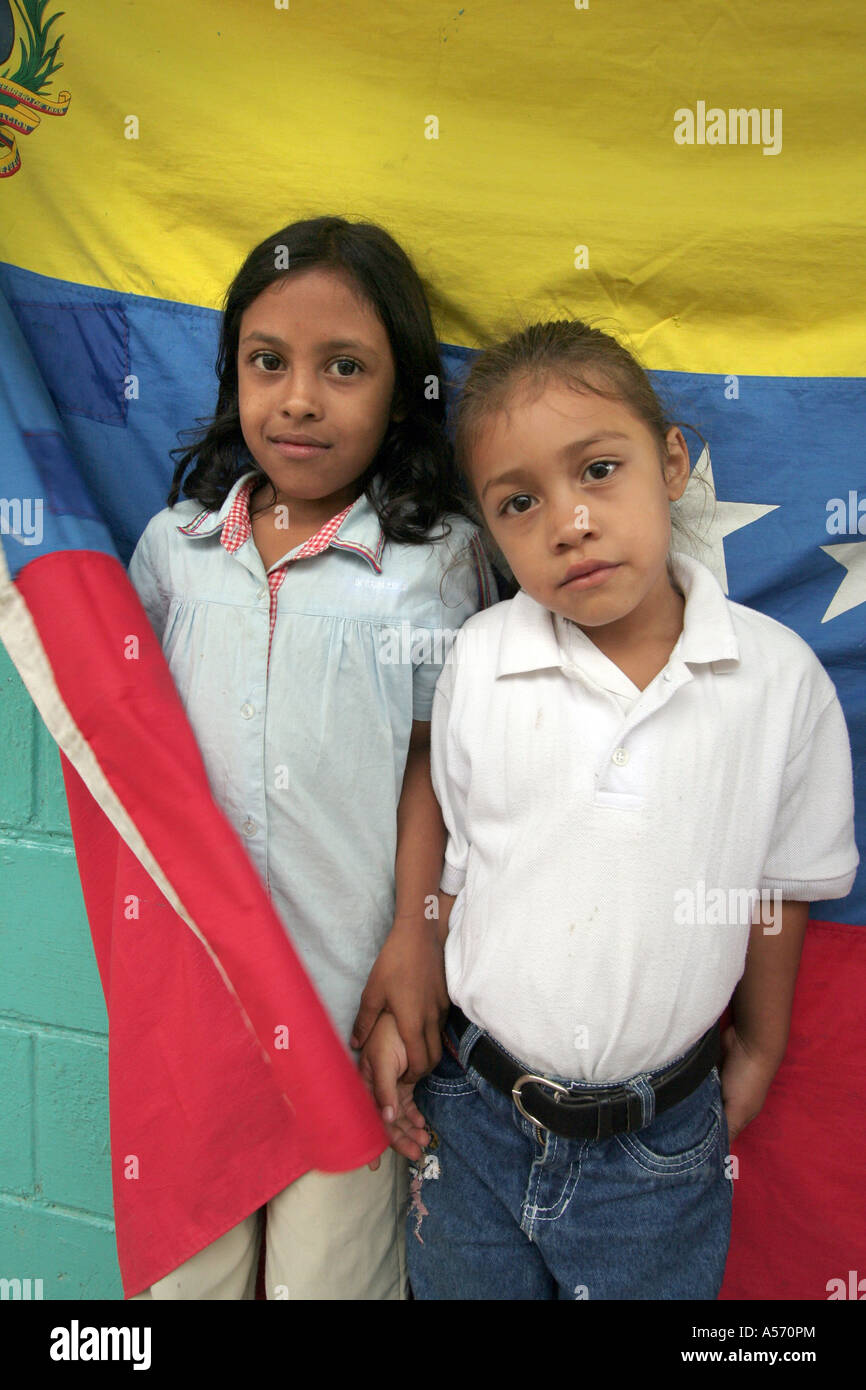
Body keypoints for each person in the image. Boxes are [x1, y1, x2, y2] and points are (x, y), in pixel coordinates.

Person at [361, 318, 859, 1299]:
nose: (569, 521)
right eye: (518, 501)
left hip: (659, 1151)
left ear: (669, 461)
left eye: (597, 470)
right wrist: (408, 985)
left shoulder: (772, 677)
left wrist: (756, 1046)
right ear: (490, 527)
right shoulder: (480, 661)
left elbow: (781, 885)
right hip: (472, 1118)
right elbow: (455, 867)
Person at [126, 215, 495, 1299]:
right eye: (267, 362)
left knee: (331, 1283)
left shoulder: (437, 564)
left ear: (403, 391)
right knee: (185, 1279)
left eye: (344, 368)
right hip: (195, 1029)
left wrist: (414, 939)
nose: (298, 398)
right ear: (233, 371)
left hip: (349, 1015)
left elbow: (443, 764)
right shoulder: (173, 553)